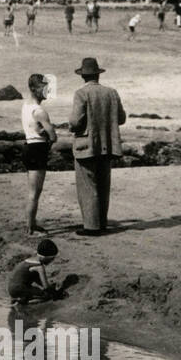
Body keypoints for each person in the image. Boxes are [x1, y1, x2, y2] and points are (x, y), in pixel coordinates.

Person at [69, 57, 126, 235]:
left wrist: (70, 126)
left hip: (86, 146)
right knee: (103, 186)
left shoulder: (81, 94)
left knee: (88, 186)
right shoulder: (112, 92)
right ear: (98, 74)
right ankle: (101, 223)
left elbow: (75, 122)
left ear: (83, 76)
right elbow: (122, 119)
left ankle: (92, 226)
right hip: (108, 146)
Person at [22, 73, 58, 235]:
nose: (46, 91)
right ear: (34, 89)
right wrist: (47, 133)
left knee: (33, 191)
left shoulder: (26, 106)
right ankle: (31, 227)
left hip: (29, 146)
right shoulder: (39, 111)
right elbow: (53, 136)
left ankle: (31, 224)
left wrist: (42, 131)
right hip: (37, 150)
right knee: (35, 192)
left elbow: (33, 128)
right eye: (43, 88)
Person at [7, 239, 66, 306]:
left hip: (11, 288)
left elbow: (37, 280)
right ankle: (23, 302)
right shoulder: (39, 267)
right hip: (19, 288)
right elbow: (46, 287)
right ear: (45, 258)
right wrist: (56, 292)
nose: (52, 261)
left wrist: (50, 284)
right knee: (46, 296)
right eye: (51, 259)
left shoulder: (29, 260)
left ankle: (17, 298)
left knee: (35, 290)